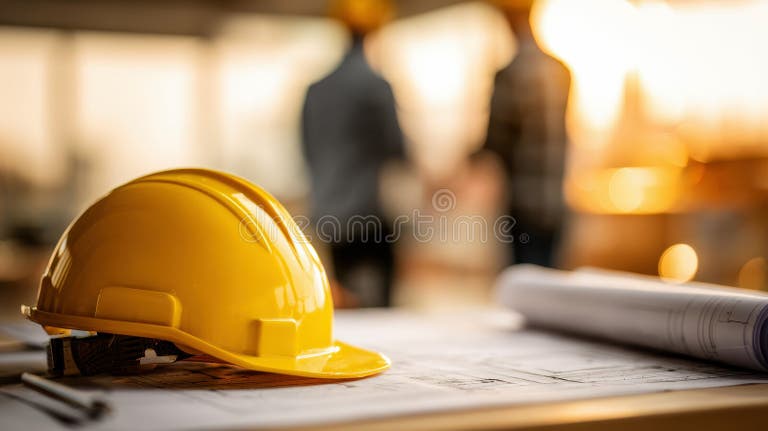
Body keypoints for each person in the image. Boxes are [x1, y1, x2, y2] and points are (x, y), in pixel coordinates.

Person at [301, 0, 404, 307]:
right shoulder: (375, 87)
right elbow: (398, 149)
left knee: (344, 300)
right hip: (368, 216)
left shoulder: (316, 91)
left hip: (330, 214)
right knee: (379, 311)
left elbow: (307, 151)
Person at [482, 0, 571, 267]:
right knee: (550, 288)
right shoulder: (561, 71)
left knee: (525, 288)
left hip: (524, 209)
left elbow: (494, 143)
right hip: (556, 204)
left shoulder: (509, 75)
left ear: (508, 18)